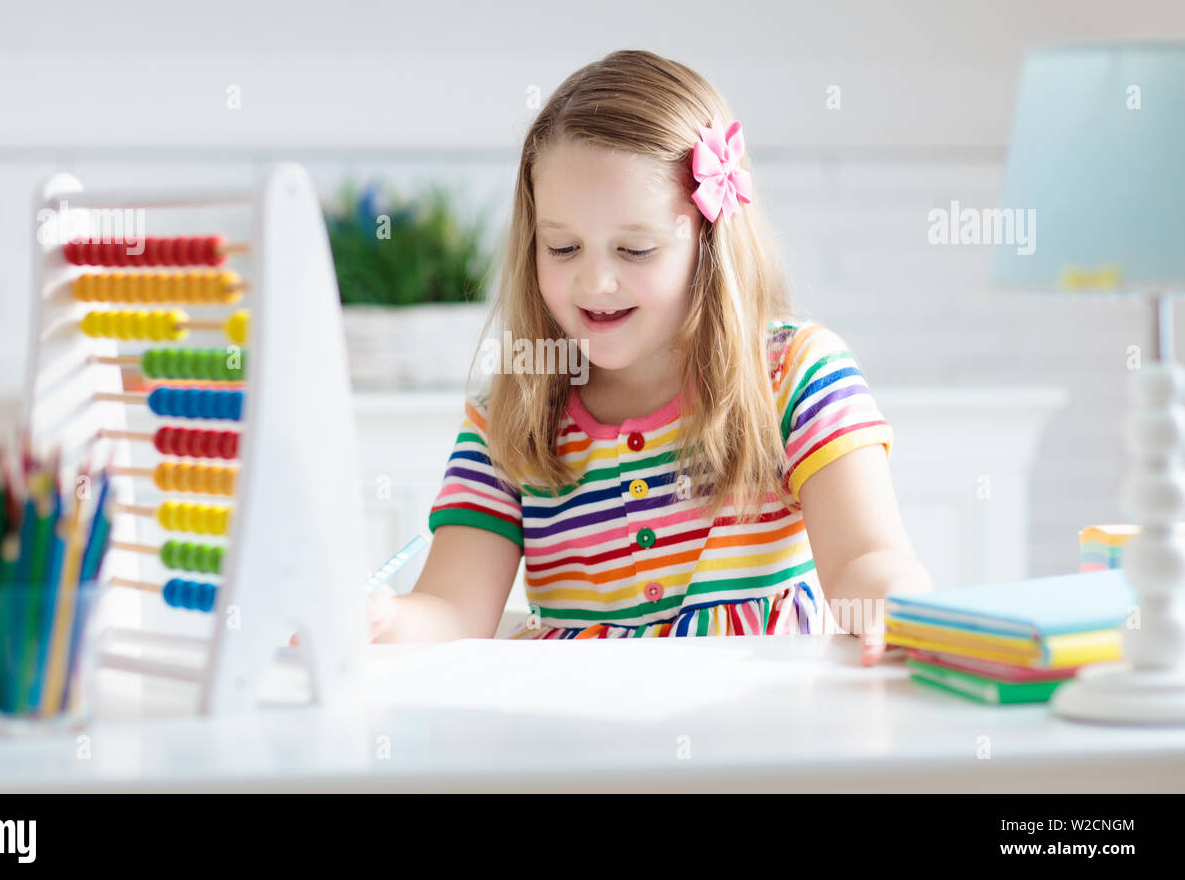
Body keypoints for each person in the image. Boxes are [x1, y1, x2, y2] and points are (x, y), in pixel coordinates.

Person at [369, 49, 931, 664]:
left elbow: (864, 560)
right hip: (581, 745)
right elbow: (452, 610)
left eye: (634, 250)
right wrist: (379, 618)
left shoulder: (795, 373)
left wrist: (891, 599)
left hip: (764, 736)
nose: (595, 282)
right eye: (562, 247)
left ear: (708, 241)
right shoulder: (509, 414)